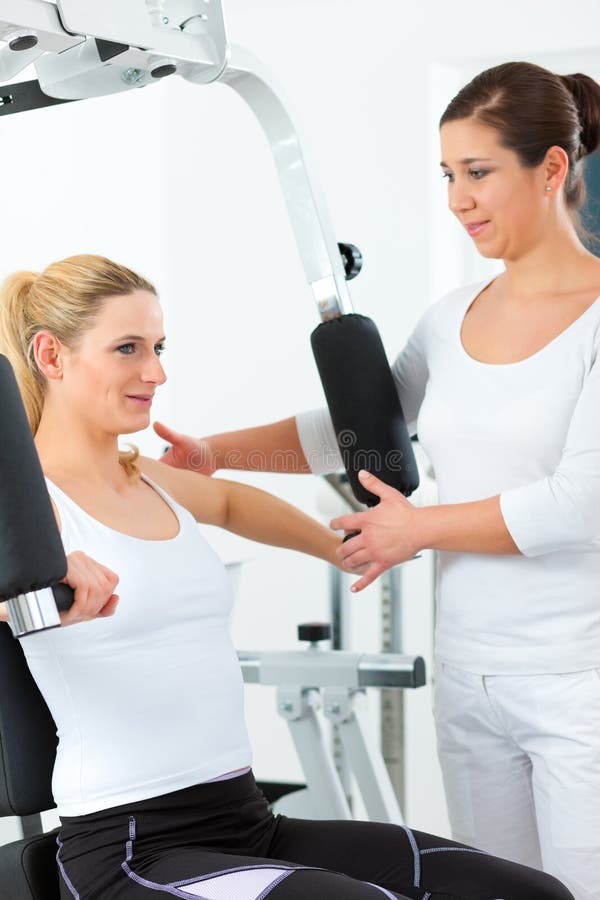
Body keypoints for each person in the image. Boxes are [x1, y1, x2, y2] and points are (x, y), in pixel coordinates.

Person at [154, 61, 600, 900]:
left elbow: (580, 504)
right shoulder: (452, 316)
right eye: (447, 176)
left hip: (581, 680)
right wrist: (217, 453)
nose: (458, 199)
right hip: (472, 672)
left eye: (478, 173)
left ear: (550, 170)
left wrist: (417, 528)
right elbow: (361, 433)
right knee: (498, 892)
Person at [0, 254, 572, 900]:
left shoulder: (147, 477)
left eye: (158, 348)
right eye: (128, 349)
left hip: (246, 824)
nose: (155, 372)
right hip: (131, 847)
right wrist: (37, 585)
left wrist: (344, 547)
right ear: (51, 355)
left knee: (526, 893)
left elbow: (232, 503)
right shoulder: (30, 505)